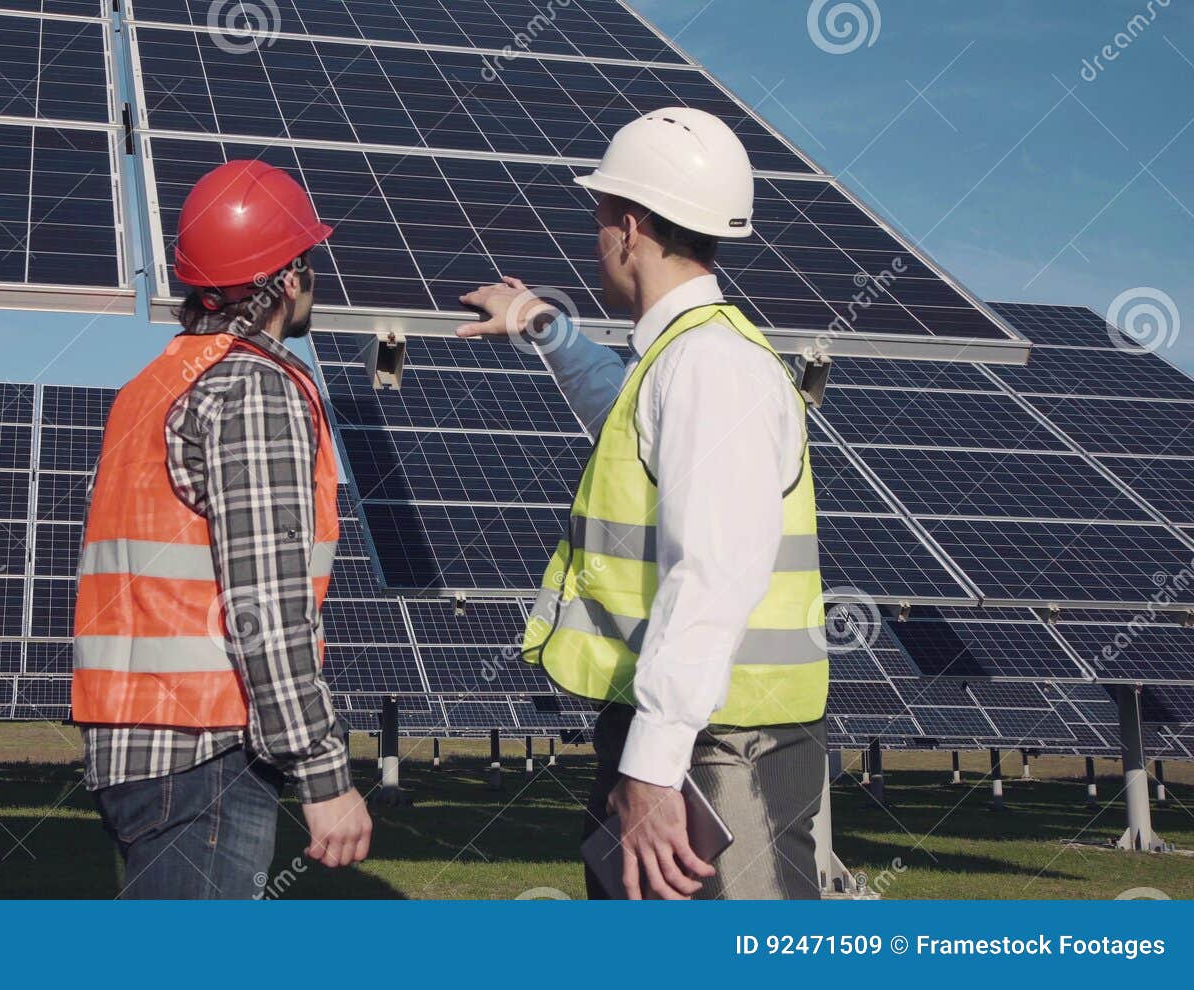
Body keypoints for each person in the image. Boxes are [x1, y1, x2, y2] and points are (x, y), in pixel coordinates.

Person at [456, 108, 829, 900]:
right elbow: (629, 412)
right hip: (686, 738)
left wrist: (654, 769)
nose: (596, 242)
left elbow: (713, 573)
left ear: (630, 227)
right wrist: (543, 326)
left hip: (720, 755)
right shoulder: (681, 361)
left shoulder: (710, 368)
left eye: (600, 220)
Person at [73, 159, 371, 898]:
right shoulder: (254, 390)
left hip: (135, 744)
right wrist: (322, 770)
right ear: (288, 277)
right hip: (207, 750)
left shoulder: (153, 385)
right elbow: (263, 604)